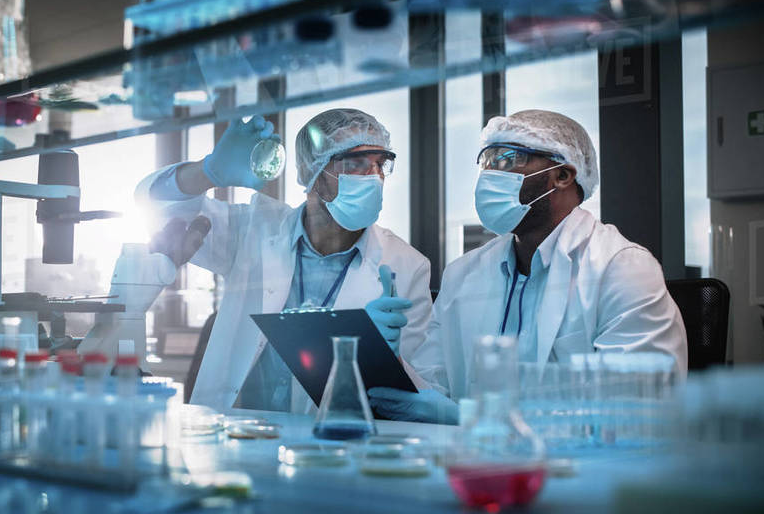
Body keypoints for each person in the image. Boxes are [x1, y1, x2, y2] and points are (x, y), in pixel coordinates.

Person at [372, 109, 689, 422]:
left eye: (508, 158)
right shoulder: (463, 274)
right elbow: (430, 392)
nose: (490, 173)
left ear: (562, 175)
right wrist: (392, 361)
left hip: (572, 458)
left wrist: (463, 417)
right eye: (487, 160)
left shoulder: (622, 269)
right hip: (471, 453)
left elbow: (633, 411)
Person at [135, 109, 434, 416]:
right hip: (236, 430)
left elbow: (426, 395)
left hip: (331, 439)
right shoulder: (253, 230)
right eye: (355, 163)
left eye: (380, 164)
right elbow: (158, 209)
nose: (374, 178)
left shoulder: (407, 266)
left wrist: (389, 359)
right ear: (311, 170)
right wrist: (208, 171)